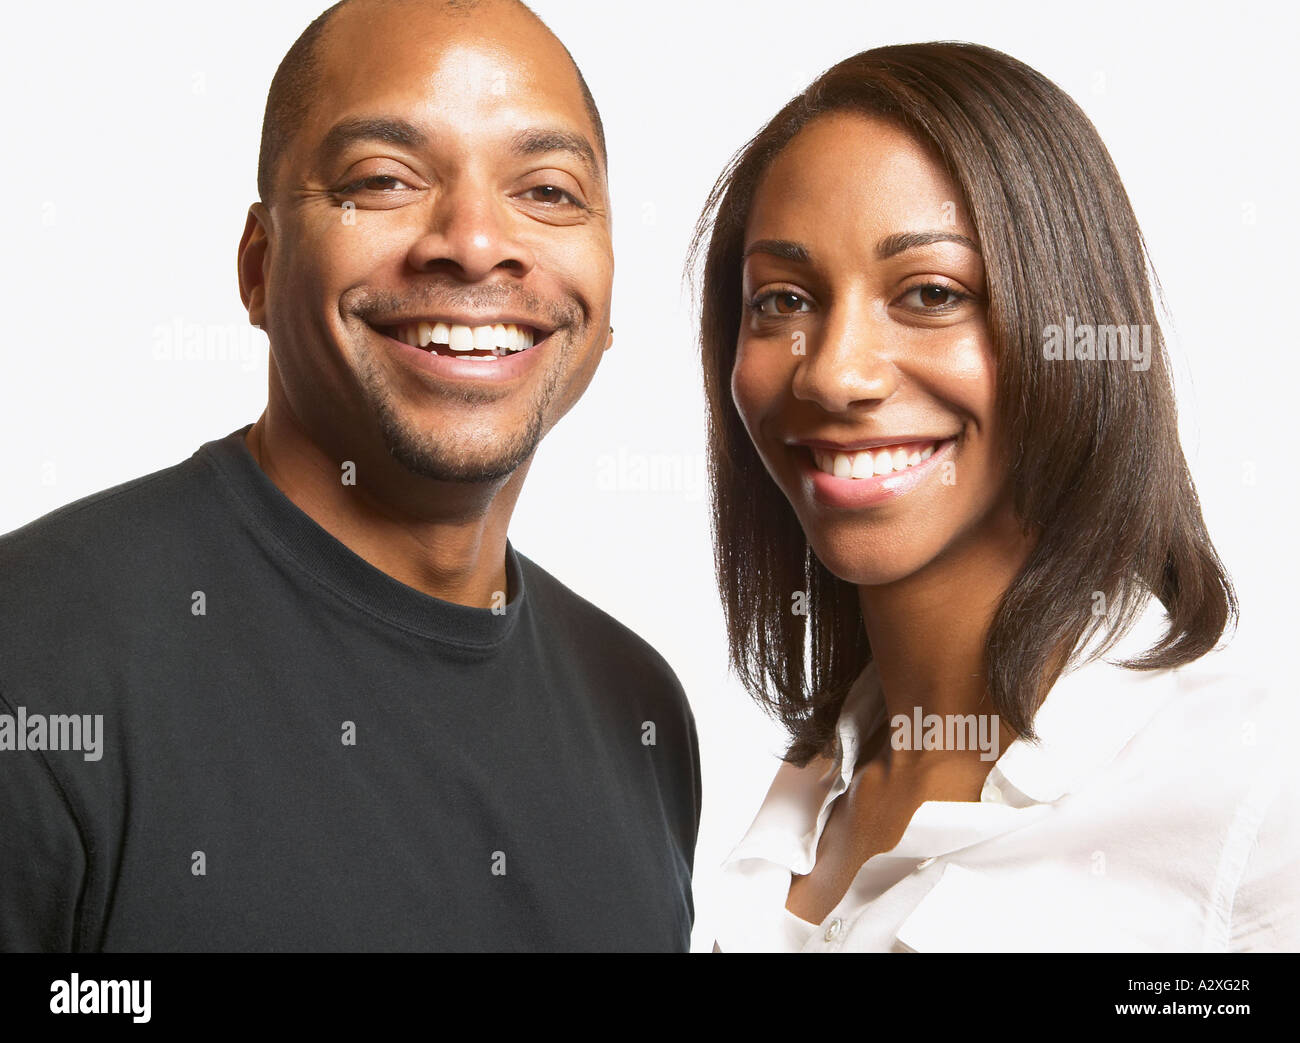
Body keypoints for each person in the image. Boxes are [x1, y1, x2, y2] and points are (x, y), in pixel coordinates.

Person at [0, 0, 700, 952]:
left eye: (547, 191)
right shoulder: (33, 659)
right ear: (257, 265)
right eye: (383, 180)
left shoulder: (643, 711)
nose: (476, 239)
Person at [691, 41, 1297, 952]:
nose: (837, 373)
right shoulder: (807, 793)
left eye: (931, 292)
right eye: (782, 300)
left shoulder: (1250, 797)